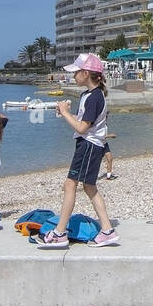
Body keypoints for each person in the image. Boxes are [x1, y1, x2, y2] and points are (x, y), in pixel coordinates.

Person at [38, 54, 119, 248]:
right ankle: (107, 230)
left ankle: (59, 233)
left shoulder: (94, 97)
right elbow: (85, 122)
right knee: (88, 187)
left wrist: (66, 113)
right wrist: (67, 114)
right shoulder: (89, 95)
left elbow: (83, 128)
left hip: (89, 145)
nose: (73, 76)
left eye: (75, 72)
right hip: (90, 144)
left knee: (70, 185)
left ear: (85, 73)